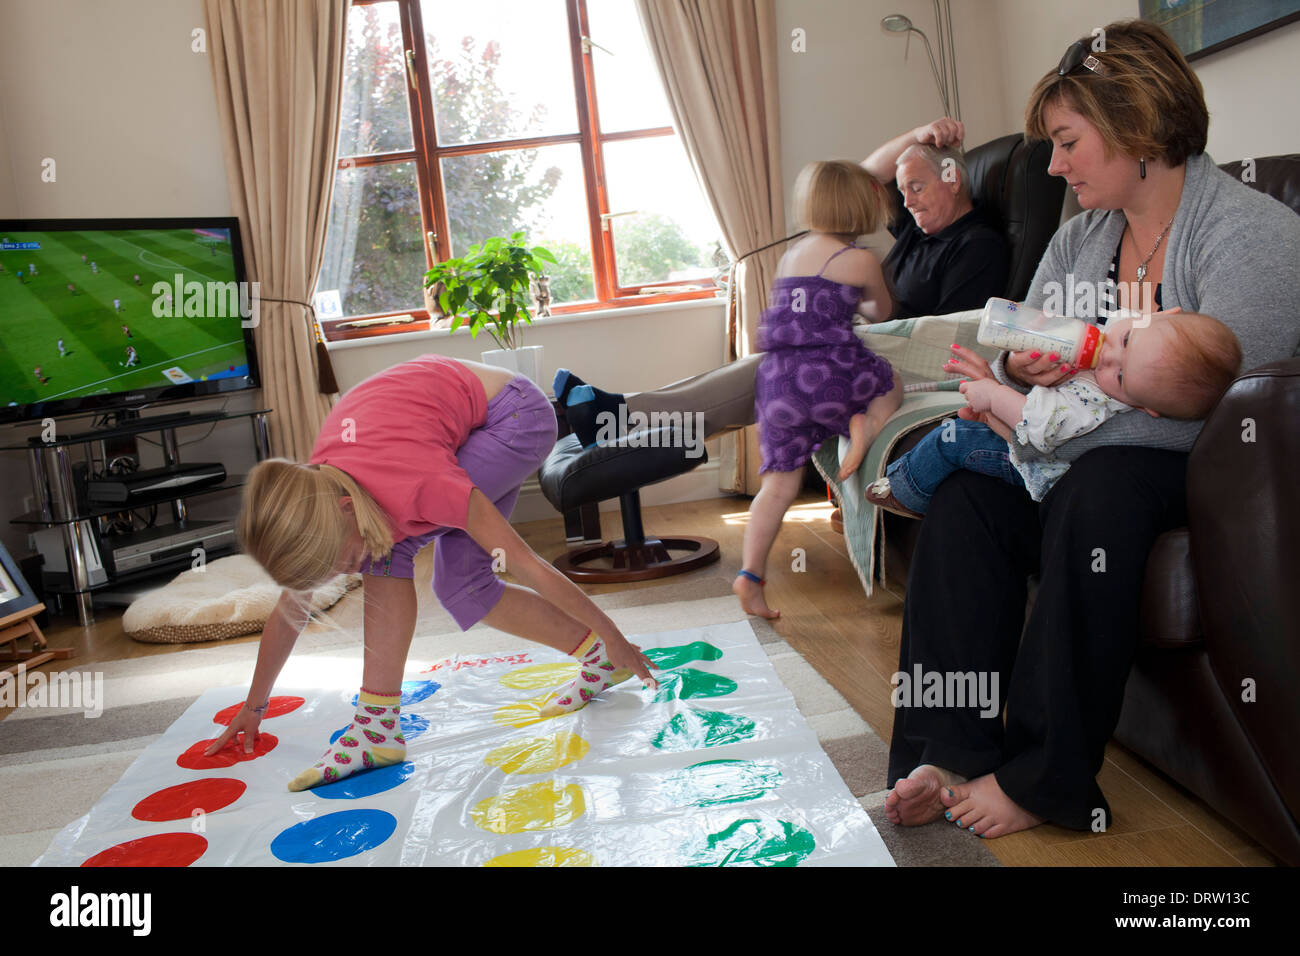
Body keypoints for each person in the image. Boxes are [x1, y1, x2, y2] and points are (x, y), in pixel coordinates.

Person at [883, 19, 1300, 840]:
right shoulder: (1080, 239)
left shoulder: (1251, 237)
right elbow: (1015, 350)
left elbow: (1215, 412)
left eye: (1069, 143)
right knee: (967, 495)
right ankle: (945, 751)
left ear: (1136, 129)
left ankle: (1047, 779)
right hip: (1072, 454)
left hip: (1189, 472)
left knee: (1101, 486)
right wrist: (1017, 376)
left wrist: (1033, 421)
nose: (1053, 166)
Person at [205, 355, 660, 792]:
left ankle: (376, 728)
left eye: (342, 562)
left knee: (396, 560)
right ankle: (596, 660)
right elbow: (290, 612)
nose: (349, 572)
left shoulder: (424, 486)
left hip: (515, 416)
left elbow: (526, 565)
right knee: (462, 589)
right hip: (435, 423)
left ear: (347, 511)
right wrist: (253, 707)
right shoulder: (317, 499)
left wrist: (615, 633)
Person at [556, 116, 1009, 447]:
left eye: (918, 187)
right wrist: (919, 133)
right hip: (874, 346)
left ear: (952, 179)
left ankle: (614, 414)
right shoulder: (917, 228)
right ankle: (615, 409)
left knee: (768, 371)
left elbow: (949, 338)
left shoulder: (976, 245)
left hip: (904, 365)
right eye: (904, 187)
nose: (905, 200)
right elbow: (865, 177)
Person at [868, 311, 1241, 516]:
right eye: (1127, 341)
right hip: (1027, 433)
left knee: (954, 440)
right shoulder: (1131, 326)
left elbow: (1037, 423)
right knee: (969, 427)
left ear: (1145, 408)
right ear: (1160, 313)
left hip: (1042, 467)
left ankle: (906, 492)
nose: (1109, 356)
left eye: (1121, 376)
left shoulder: (1091, 405)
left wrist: (994, 395)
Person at [736, 161, 902, 619]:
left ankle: (750, 575)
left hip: (776, 382)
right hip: (828, 375)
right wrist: (862, 299)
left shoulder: (791, 256)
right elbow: (882, 311)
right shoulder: (861, 259)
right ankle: (864, 423)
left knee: (777, 486)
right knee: (890, 380)